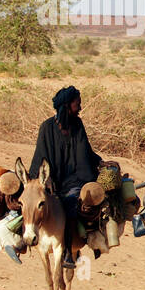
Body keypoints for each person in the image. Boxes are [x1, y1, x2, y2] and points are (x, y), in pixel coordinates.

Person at [28, 85, 102, 269]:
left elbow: (85, 152)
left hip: (75, 180)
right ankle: (23, 239)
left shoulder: (78, 125)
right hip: (51, 180)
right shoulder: (46, 127)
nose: (80, 107)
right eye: (78, 104)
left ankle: (68, 251)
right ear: (67, 105)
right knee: (30, 203)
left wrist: (100, 162)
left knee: (71, 205)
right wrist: (46, 180)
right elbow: (41, 156)